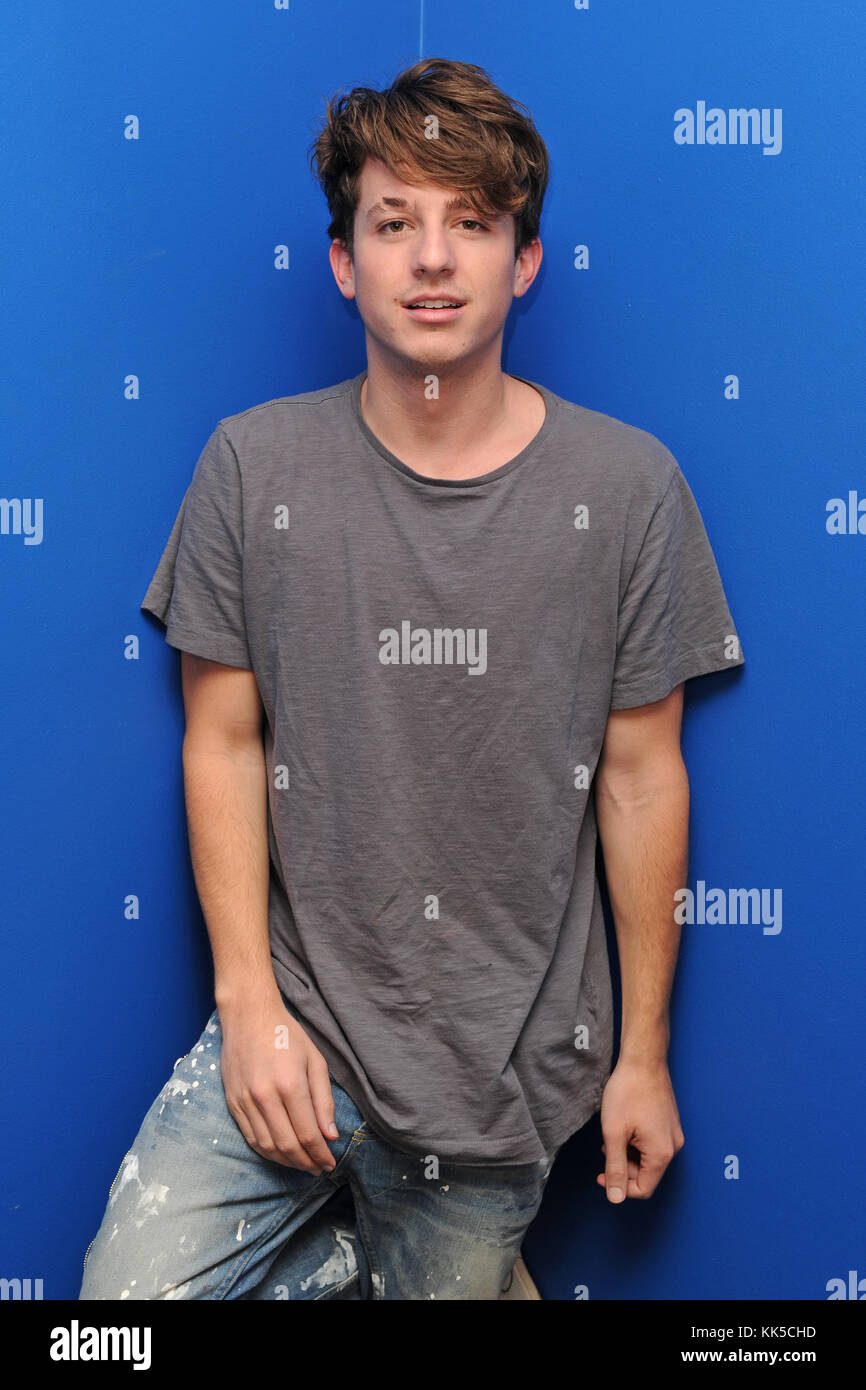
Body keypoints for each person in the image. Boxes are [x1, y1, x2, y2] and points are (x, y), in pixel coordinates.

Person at [79, 56, 744, 1301]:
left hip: (501, 1073)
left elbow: (643, 778)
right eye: (394, 223)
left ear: (523, 260)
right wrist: (249, 1005)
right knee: (119, 1316)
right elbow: (221, 740)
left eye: (471, 224)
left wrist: (641, 1054)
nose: (432, 258)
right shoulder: (249, 464)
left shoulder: (630, 488)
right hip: (296, 1030)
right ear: (343, 262)